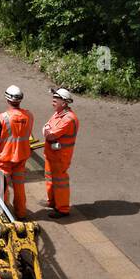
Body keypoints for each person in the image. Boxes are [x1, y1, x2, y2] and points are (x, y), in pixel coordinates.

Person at [0, 84, 32, 219]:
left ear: (7, 99)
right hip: (21, 157)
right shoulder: (29, 115)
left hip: (4, 158)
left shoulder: (2, 117)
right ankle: (21, 213)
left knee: (2, 187)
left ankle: (3, 214)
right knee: (19, 187)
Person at [41, 88, 79, 217]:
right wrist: (47, 130)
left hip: (60, 157)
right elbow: (47, 129)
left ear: (64, 103)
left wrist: (47, 130)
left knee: (60, 182)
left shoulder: (69, 119)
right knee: (50, 178)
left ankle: (62, 209)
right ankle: (52, 202)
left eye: (56, 99)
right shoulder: (58, 114)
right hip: (52, 154)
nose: (53, 100)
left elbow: (50, 135)